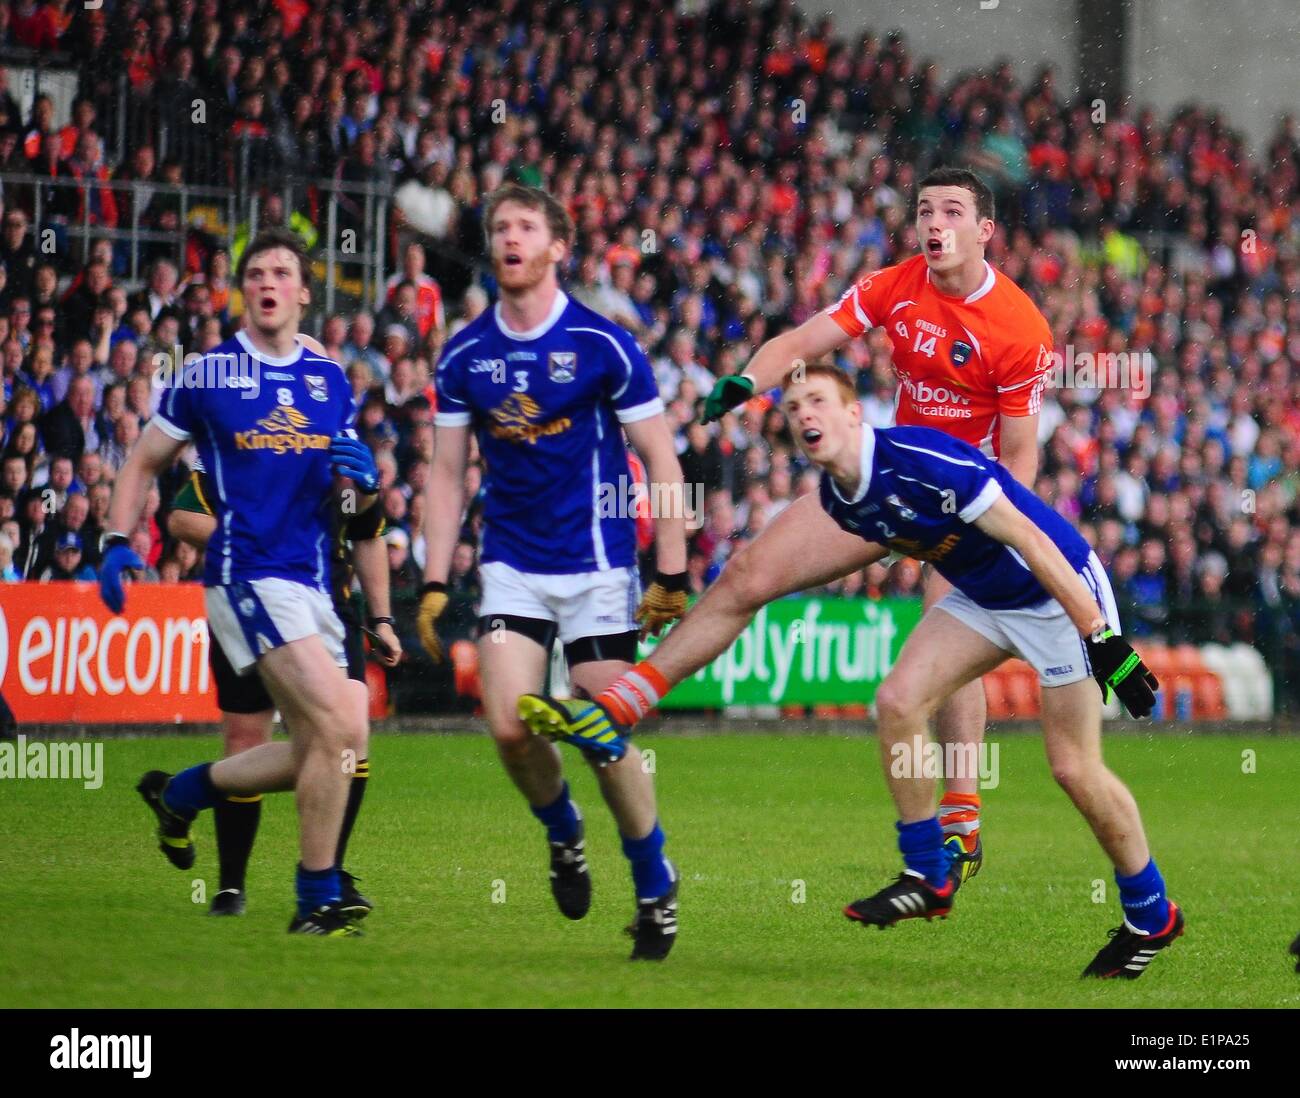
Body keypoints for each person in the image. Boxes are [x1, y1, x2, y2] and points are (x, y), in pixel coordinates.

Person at [523, 364, 1180, 979]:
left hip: (1056, 593)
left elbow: (1034, 539)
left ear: (852, 416)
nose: (802, 413)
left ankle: (1152, 916)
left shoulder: (922, 461)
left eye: (817, 402)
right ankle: (929, 875)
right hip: (983, 598)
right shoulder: (842, 501)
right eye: (793, 405)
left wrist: (1103, 637)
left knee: (1072, 768)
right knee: (896, 700)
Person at [658, 168, 1055, 884]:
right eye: (925, 210)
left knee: (948, 622)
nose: (935, 222)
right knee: (749, 573)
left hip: (966, 498)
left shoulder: (1021, 326)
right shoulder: (894, 285)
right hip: (888, 477)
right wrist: (751, 380)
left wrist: (990, 524)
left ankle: (961, 815)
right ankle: (630, 697)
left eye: (953, 211)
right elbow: (804, 340)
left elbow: (1022, 454)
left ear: (984, 231)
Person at [416, 184, 689, 960]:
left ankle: (652, 882)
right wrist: (436, 579)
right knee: (509, 725)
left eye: (526, 226)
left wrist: (668, 567)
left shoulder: (605, 344)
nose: (509, 237)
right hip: (511, 564)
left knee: (604, 733)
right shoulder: (466, 352)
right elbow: (444, 473)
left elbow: (662, 458)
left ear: (558, 247)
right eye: (499, 226)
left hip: (599, 565)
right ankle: (564, 834)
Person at [98, 228, 380, 936]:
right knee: (337, 724)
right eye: (256, 272)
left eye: (282, 272)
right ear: (242, 290)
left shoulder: (329, 380)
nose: (268, 282)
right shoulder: (207, 375)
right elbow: (141, 463)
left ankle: (187, 791)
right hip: (246, 576)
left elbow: (348, 505)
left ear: (303, 292)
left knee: (344, 742)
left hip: (314, 583)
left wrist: (366, 489)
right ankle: (316, 896)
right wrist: (113, 540)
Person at [165, 335, 400, 917]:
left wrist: (383, 617)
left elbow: (367, 533)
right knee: (252, 738)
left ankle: (329, 877)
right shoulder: (243, 447)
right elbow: (181, 515)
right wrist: (247, 545)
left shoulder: (341, 445)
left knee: (347, 738)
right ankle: (231, 885)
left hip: (326, 605)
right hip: (250, 594)